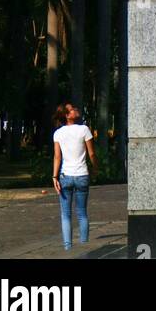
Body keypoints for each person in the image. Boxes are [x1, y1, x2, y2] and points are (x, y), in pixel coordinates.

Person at [52, 101, 98, 252]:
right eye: (72, 109)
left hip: (65, 176)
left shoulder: (58, 133)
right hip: (82, 175)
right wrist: (95, 168)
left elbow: (57, 157)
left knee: (65, 215)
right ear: (67, 115)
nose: (76, 110)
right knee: (82, 212)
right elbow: (91, 153)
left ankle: (68, 248)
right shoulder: (84, 129)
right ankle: (84, 247)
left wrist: (54, 177)